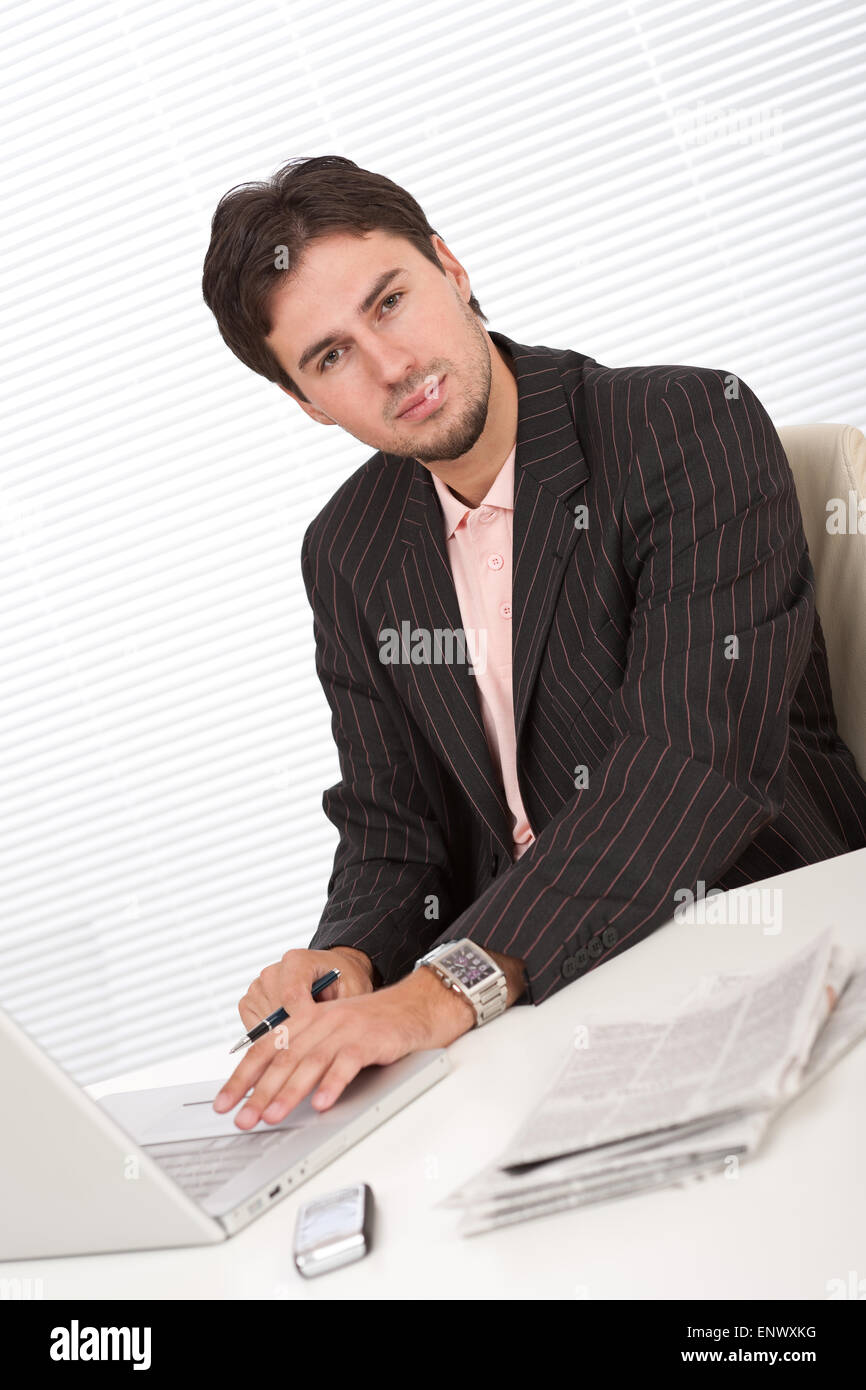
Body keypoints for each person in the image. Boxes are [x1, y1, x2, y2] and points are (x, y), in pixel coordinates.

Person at [200, 155, 866, 1129]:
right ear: (306, 402)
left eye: (390, 302)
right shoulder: (348, 549)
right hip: (530, 1011)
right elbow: (393, 828)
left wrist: (445, 986)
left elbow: (691, 764)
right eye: (330, 356)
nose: (390, 366)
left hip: (758, 947)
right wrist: (349, 957)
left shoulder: (681, 426)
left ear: (450, 267)